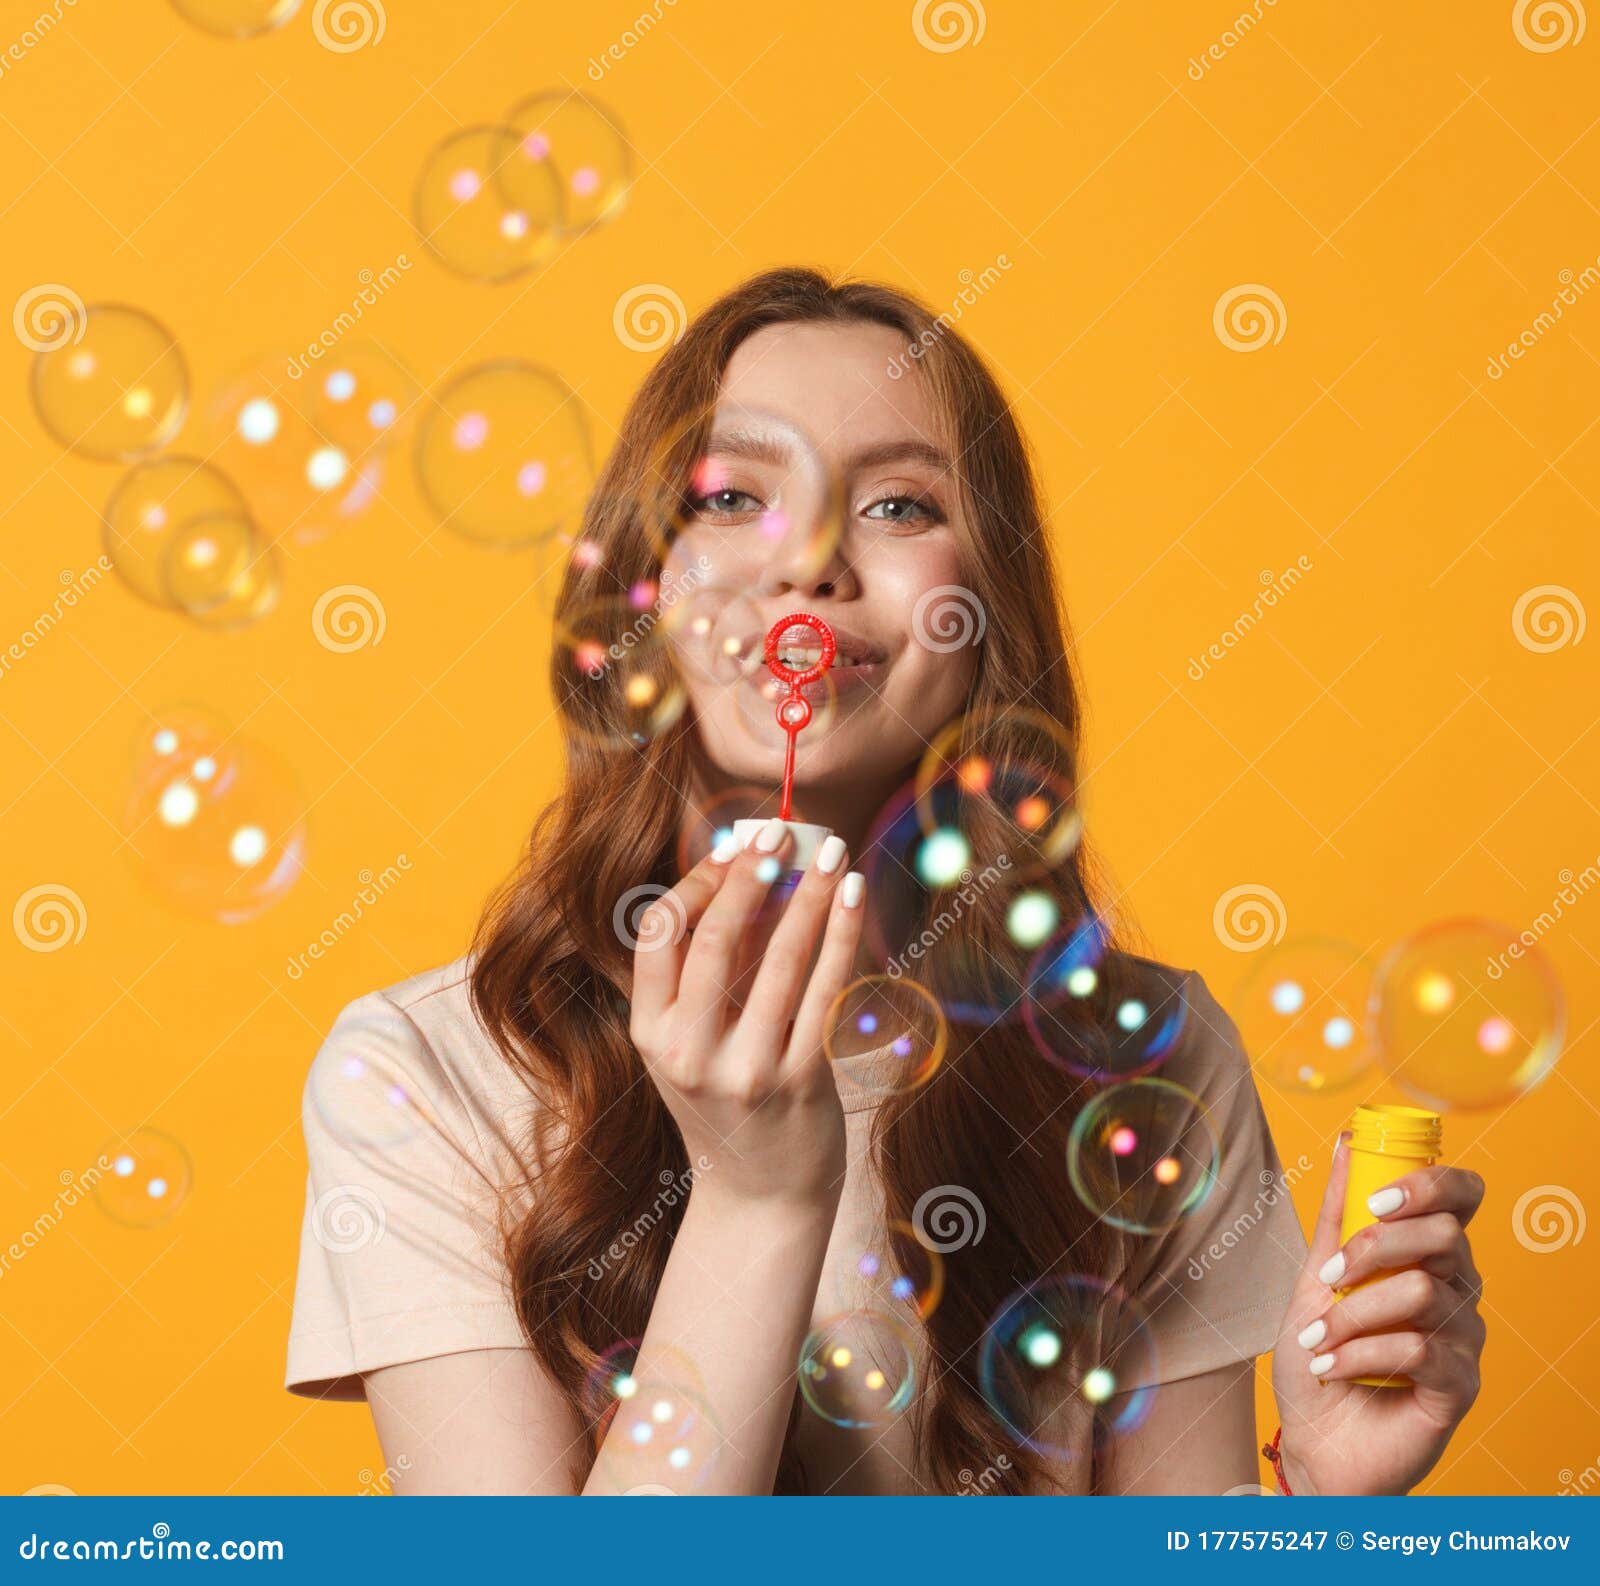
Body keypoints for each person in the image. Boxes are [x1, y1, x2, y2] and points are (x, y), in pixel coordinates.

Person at [285, 268, 1484, 1495]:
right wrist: (755, 1198)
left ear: (990, 606)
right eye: (731, 495)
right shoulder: (432, 1074)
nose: (806, 560)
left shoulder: (1151, 1064)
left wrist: (1325, 1505)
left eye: (900, 505)